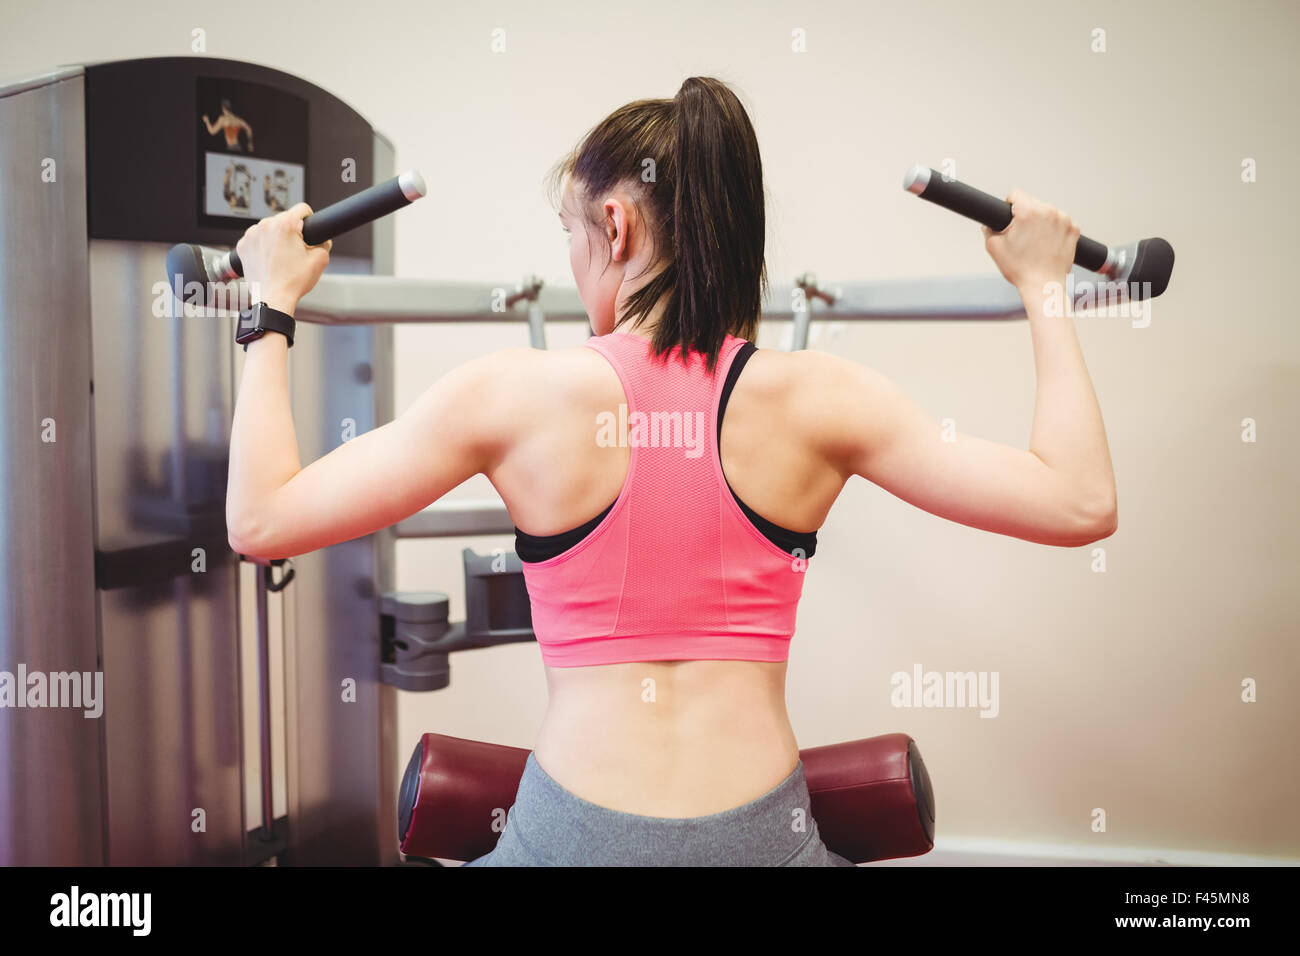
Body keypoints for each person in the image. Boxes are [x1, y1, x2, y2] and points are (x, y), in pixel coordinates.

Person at [226, 76, 1116, 866]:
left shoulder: (510, 396)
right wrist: (1043, 286)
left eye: (572, 233)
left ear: (614, 223)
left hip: (573, 835)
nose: (575, 264)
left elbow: (260, 521)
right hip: (760, 837)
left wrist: (268, 307)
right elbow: (1079, 501)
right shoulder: (823, 398)